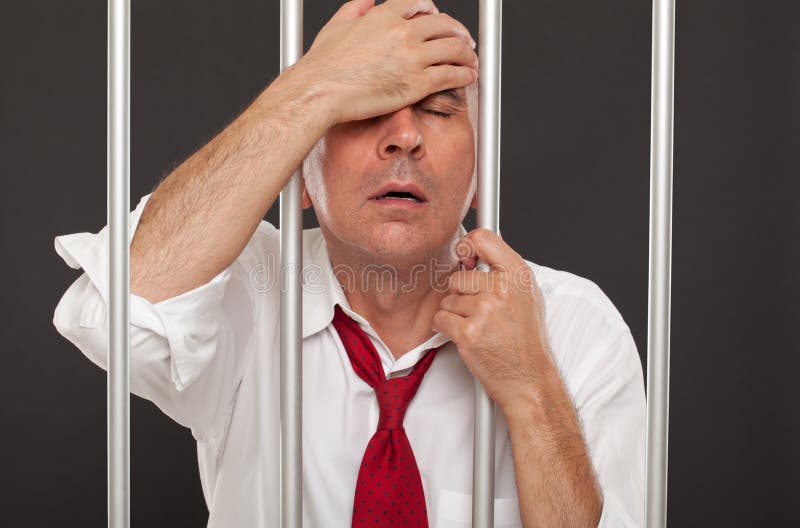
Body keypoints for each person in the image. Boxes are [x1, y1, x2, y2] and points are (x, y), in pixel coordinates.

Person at [52, 0, 645, 526]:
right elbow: (118, 315)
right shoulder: (243, 289)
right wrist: (314, 85)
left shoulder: (572, 325)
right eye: (363, 110)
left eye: (439, 109)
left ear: (478, 174)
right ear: (299, 177)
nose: (404, 137)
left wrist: (532, 391)